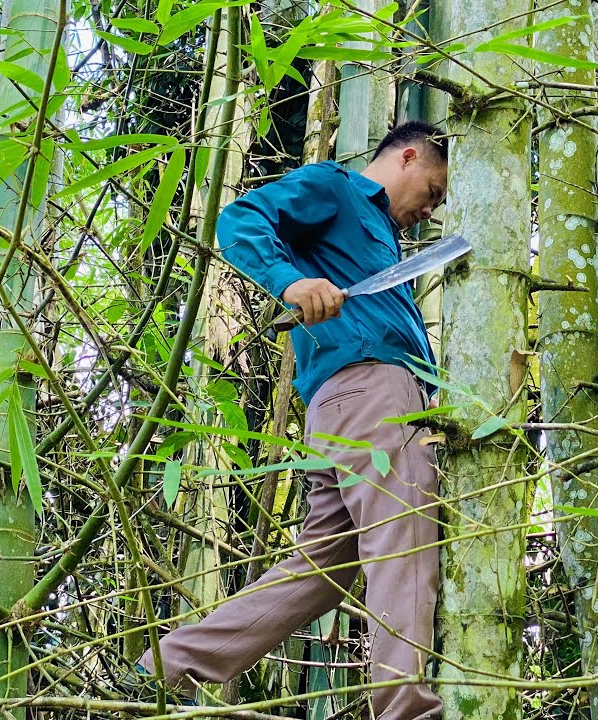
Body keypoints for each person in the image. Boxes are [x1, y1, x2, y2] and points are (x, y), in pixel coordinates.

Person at [134, 121, 450, 720]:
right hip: (373, 394)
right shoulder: (337, 189)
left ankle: (166, 669)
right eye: (432, 191)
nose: (429, 210)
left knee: (324, 564)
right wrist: (292, 281)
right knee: (401, 536)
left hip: (338, 407)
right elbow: (240, 221)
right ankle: (407, 712)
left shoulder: (379, 232)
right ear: (408, 157)